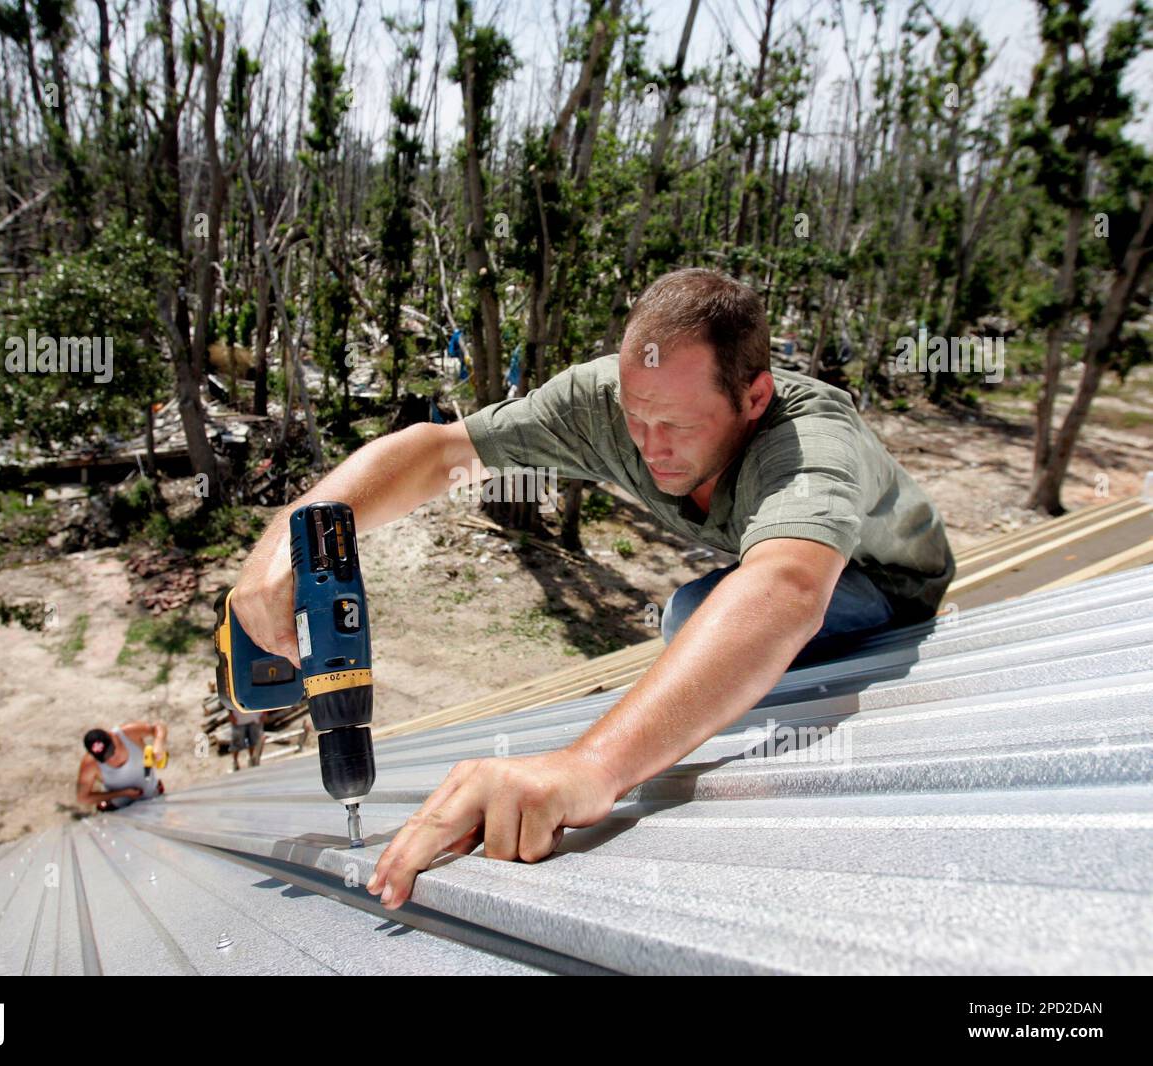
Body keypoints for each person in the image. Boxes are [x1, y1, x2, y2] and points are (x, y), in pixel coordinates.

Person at [230, 268, 956, 910]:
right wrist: (286, 544)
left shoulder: (810, 440)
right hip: (777, 568)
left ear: (755, 396)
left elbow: (789, 586)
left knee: (691, 614)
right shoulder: (612, 401)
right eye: (636, 418)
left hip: (885, 587)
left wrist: (589, 766)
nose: (649, 444)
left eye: (675, 425)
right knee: (693, 616)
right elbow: (441, 452)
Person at [77, 721, 168, 812]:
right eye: (104, 758)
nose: (110, 758)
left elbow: (158, 727)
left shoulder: (128, 733)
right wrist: (121, 793)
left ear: (111, 736)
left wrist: (158, 743)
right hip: (121, 809)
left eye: (111, 752)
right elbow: (83, 798)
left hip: (153, 796)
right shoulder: (89, 764)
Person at [227, 702, 265, 770]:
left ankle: (252, 759)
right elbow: (227, 698)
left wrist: (265, 713)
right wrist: (230, 714)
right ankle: (235, 762)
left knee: (254, 741)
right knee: (236, 742)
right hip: (238, 718)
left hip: (255, 717)